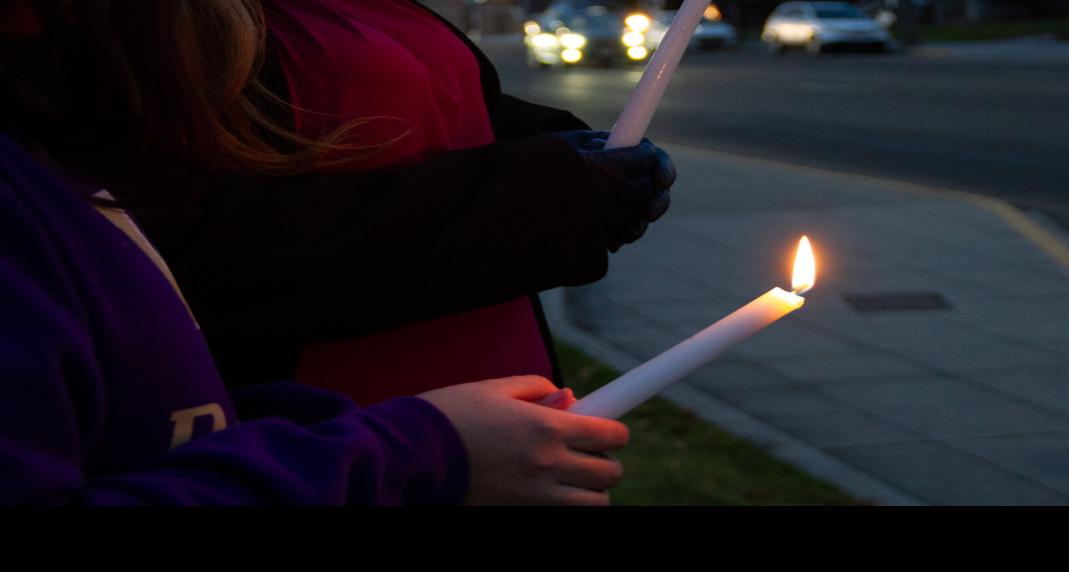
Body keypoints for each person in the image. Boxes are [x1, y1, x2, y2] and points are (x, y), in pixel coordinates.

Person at [1, 0, 629, 505]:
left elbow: (431, 105)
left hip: (385, 433)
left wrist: (564, 151)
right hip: (355, 424)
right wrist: (416, 451)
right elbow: (225, 246)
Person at [131, 0, 677, 405]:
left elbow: (439, 106)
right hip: (351, 432)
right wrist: (549, 190)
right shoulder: (167, 24)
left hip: (497, 408)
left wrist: (577, 151)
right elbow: (211, 250)